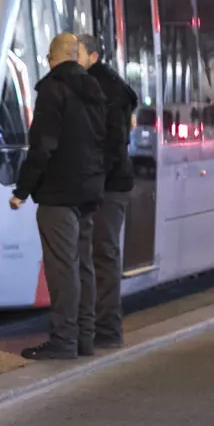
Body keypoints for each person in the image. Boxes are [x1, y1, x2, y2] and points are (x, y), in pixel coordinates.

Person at [10, 33, 106, 360]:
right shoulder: (95, 90)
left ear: (52, 57)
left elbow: (43, 146)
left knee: (62, 268)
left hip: (59, 192)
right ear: (77, 55)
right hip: (88, 190)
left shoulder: (52, 89)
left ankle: (64, 339)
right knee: (83, 266)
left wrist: (22, 190)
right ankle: (85, 337)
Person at [79, 33, 138, 350]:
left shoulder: (105, 89)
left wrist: (90, 180)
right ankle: (99, 327)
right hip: (105, 184)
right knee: (99, 255)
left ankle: (107, 329)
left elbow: (111, 146)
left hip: (106, 187)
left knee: (102, 254)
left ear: (92, 55)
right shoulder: (101, 85)